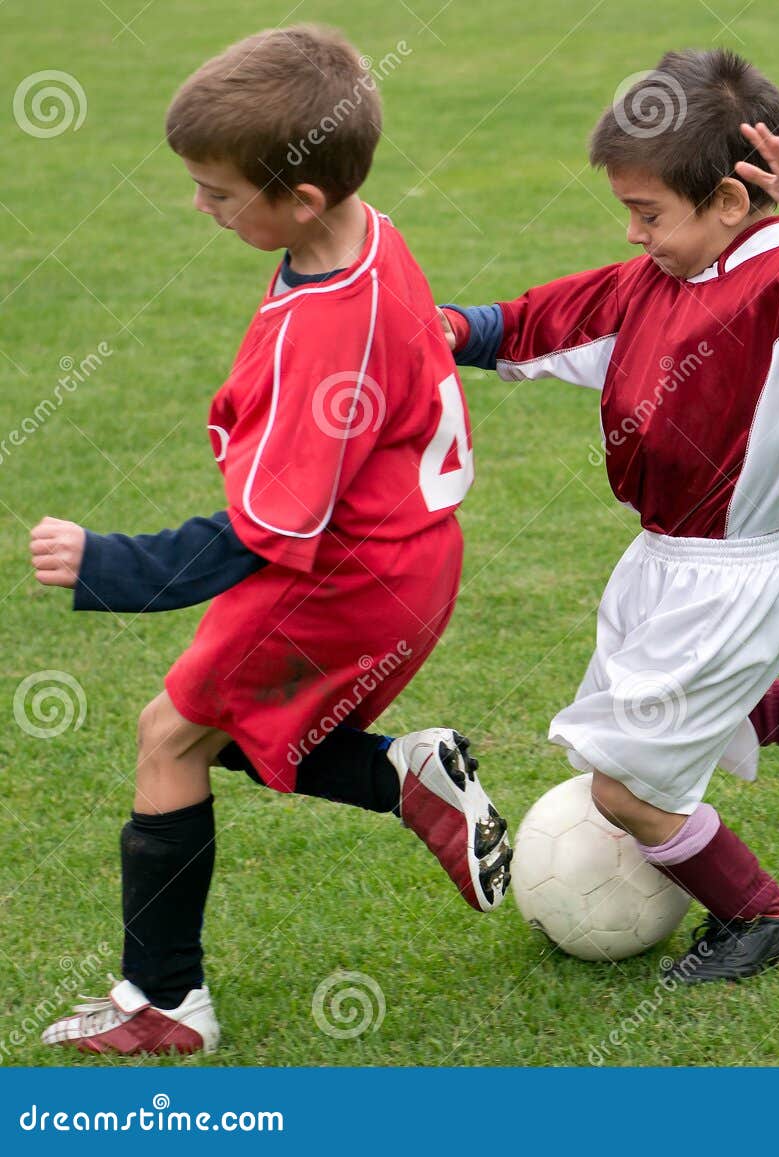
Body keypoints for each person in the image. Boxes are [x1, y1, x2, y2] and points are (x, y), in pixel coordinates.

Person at [30, 25, 510, 1055]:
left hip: (341, 574)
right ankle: (403, 777)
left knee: (171, 733)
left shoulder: (318, 330)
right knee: (241, 726)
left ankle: (165, 1004)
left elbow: (268, 529)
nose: (199, 207)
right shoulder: (365, 231)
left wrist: (112, 561)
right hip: (410, 554)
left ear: (298, 199)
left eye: (215, 193)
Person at [441, 49, 779, 982]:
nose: (632, 233)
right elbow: (530, 322)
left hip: (738, 575)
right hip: (659, 560)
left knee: (624, 786)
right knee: (635, 725)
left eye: (647, 213)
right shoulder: (646, 284)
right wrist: (437, 331)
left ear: (732, 203)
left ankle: (761, 915)